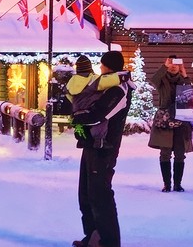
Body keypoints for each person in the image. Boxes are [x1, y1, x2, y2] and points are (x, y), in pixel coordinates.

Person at [71, 50, 132, 247]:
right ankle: (93, 236)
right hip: (91, 146)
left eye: (102, 64)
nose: (100, 67)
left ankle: (109, 241)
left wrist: (79, 118)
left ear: (107, 66)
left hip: (104, 149)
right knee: (86, 195)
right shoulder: (106, 85)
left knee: (100, 195)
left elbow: (98, 114)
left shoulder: (118, 90)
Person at [149, 56, 193, 193]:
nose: (173, 66)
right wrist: (164, 66)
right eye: (171, 64)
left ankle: (178, 184)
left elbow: (192, 94)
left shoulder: (184, 81)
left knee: (180, 154)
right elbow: (153, 80)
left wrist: (185, 75)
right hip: (165, 120)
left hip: (182, 120)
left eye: (177, 64)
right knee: (165, 153)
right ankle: (167, 184)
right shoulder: (162, 80)